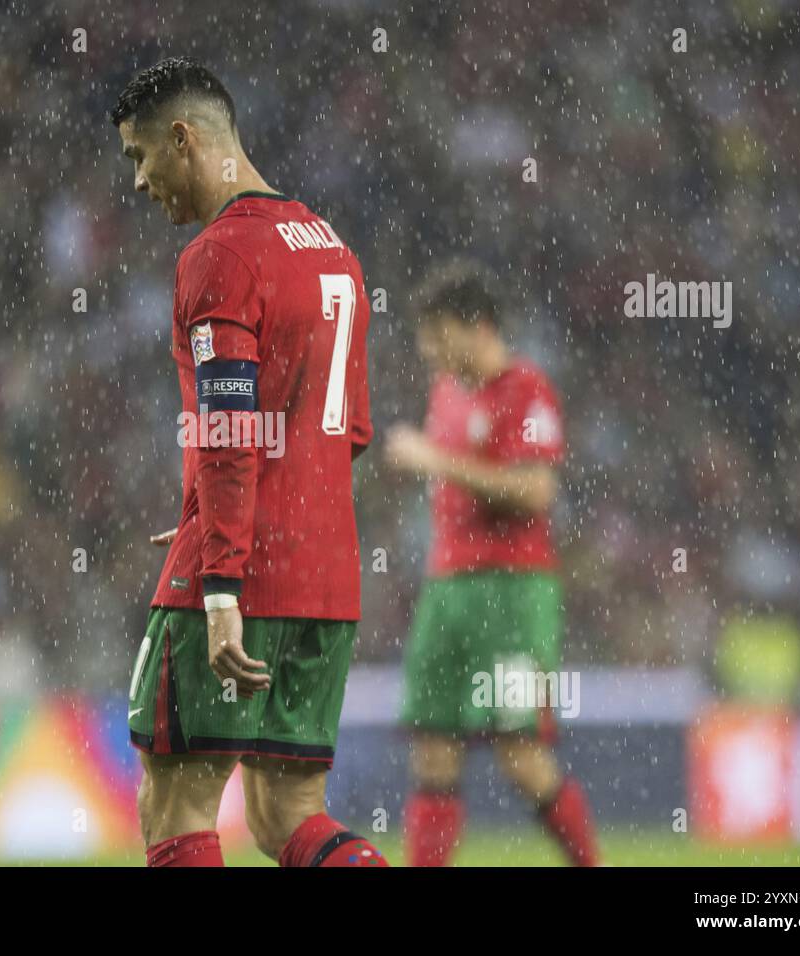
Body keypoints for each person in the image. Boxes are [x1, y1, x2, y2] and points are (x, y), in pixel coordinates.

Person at [111, 57, 386, 867]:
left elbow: (230, 428)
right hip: (327, 579)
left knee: (174, 804)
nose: (137, 181)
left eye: (138, 156)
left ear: (183, 139)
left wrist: (223, 577)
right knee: (287, 811)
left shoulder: (219, 257)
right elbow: (350, 432)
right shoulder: (332, 248)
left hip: (239, 573)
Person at [385, 261, 600, 866]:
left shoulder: (527, 389)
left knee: (521, 754)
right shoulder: (447, 393)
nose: (427, 350)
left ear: (476, 326)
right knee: (432, 750)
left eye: (436, 333)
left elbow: (536, 492)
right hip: (446, 589)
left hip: (513, 594)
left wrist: (436, 460)